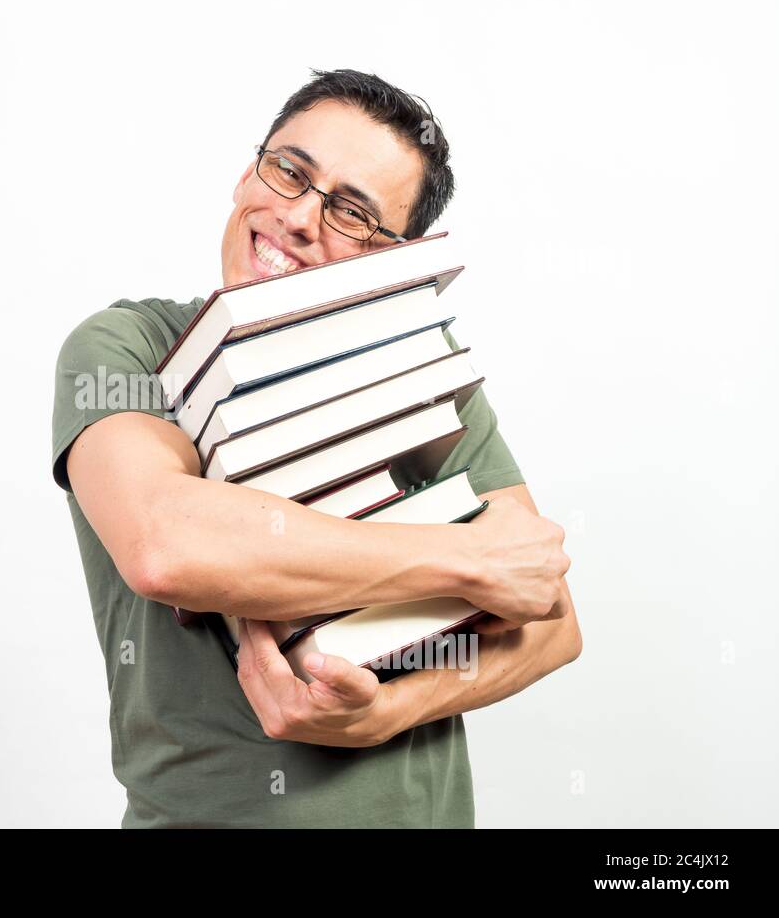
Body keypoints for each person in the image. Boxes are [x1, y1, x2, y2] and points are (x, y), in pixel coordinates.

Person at [49, 69, 581, 828]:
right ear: (248, 171)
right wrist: (466, 560)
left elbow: (551, 617)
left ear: (398, 263)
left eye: (354, 213)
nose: (299, 217)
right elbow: (165, 543)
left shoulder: (422, 368)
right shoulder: (128, 348)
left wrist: (389, 709)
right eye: (290, 171)